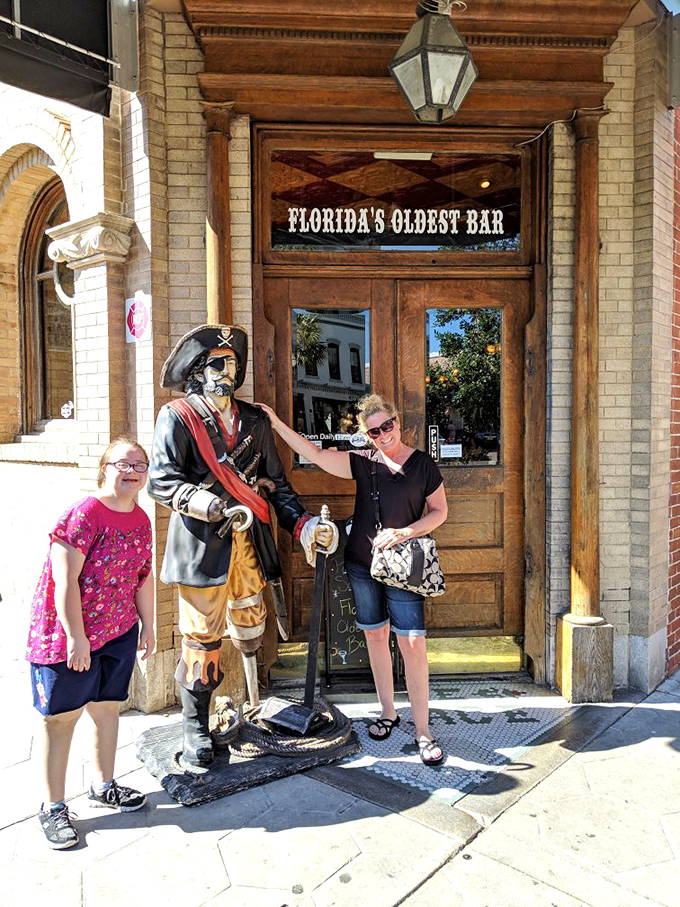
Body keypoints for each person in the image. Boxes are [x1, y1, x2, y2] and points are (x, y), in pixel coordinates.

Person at [147, 324, 334, 770]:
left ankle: (253, 702)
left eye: (231, 363)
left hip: (249, 542)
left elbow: (280, 488)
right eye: (217, 364)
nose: (227, 371)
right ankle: (196, 725)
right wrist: (211, 504)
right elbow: (161, 480)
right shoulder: (177, 417)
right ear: (197, 371)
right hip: (200, 546)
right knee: (201, 637)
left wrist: (306, 525)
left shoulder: (254, 421)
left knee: (251, 619)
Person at [256, 393, 448, 766]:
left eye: (387, 426)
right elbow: (315, 455)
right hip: (362, 562)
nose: (383, 434)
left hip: (404, 566)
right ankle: (388, 713)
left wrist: (405, 531)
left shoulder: (423, 465)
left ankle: (423, 730)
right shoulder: (362, 462)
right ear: (366, 434)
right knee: (375, 636)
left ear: (397, 421)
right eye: (374, 431)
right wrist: (277, 424)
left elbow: (440, 511)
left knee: (412, 645)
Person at [27, 437, 155, 849]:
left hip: (118, 632)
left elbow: (143, 577)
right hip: (70, 636)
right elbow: (64, 581)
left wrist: (148, 626)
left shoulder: (141, 519)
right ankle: (53, 807)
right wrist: (76, 637)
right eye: (123, 463)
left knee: (106, 711)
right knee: (61, 719)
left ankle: (104, 786)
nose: (132, 470)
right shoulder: (85, 513)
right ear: (105, 467)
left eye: (140, 464)